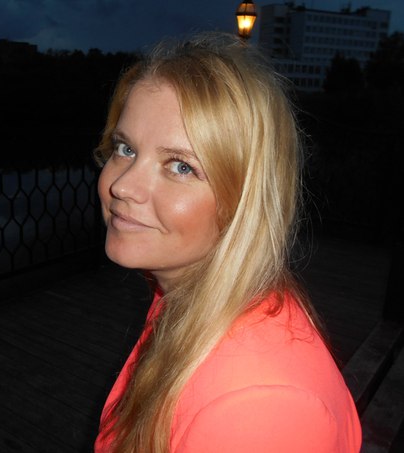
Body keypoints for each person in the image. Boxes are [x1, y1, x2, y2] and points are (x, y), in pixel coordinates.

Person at [93, 33, 361, 453]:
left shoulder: (258, 409)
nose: (123, 186)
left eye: (181, 166)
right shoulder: (192, 297)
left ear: (245, 200)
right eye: (125, 148)